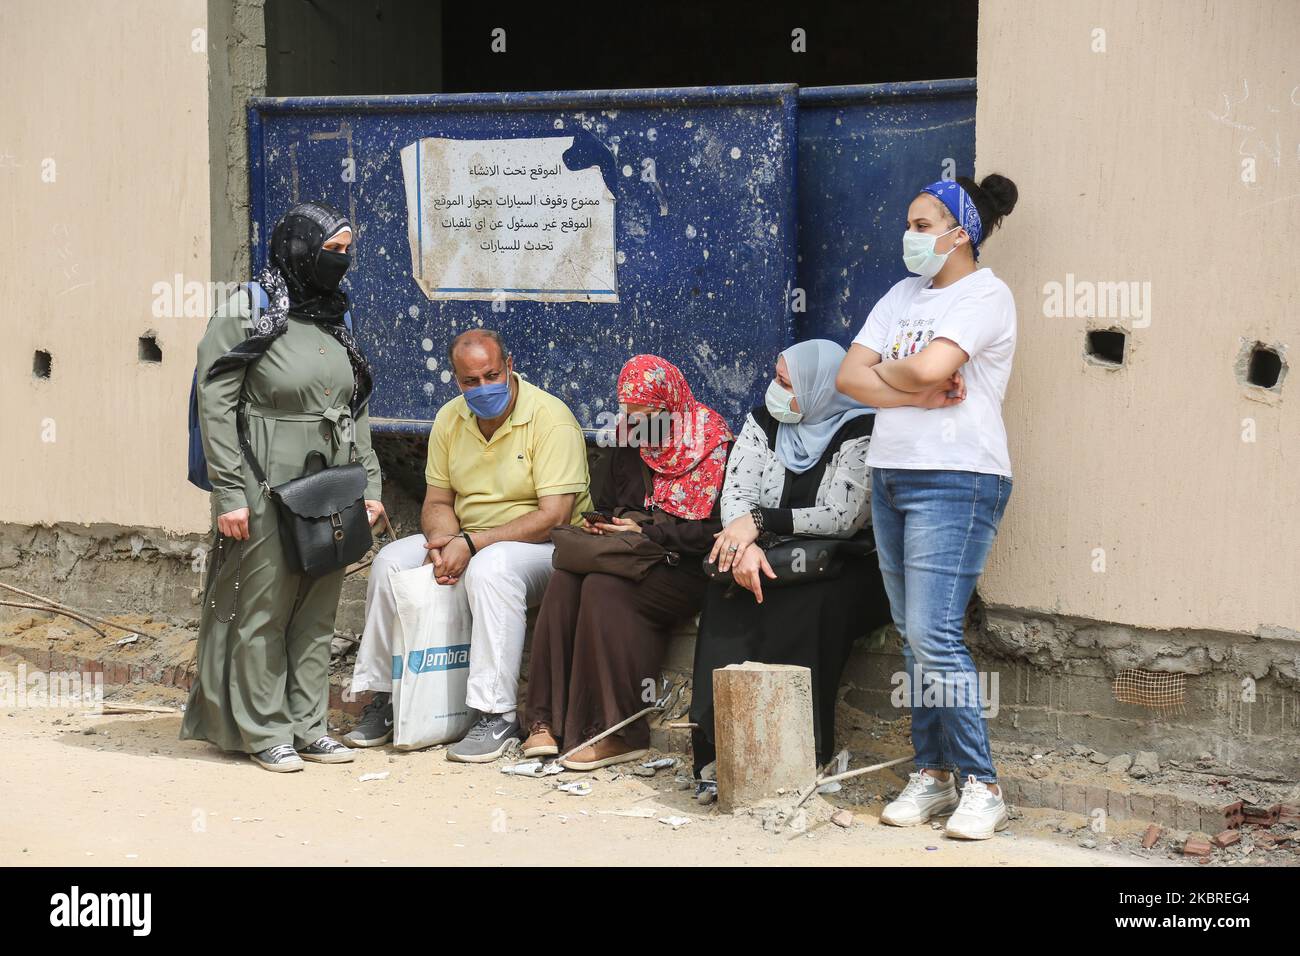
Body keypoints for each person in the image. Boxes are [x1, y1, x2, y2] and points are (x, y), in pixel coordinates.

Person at [836, 173, 1019, 840]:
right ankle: (933, 775)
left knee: (935, 634)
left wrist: (899, 379)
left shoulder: (986, 295)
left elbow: (923, 368)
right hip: (891, 474)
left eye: (921, 226)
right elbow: (847, 377)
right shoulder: (900, 295)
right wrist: (913, 391)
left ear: (959, 233)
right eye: (909, 224)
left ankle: (983, 786)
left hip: (957, 478)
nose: (908, 236)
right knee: (913, 636)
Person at [181, 200, 386, 773]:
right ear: (299, 248)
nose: (341, 260)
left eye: (347, 250)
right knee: (263, 604)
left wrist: (369, 483)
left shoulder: (334, 314)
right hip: (264, 478)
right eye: (331, 249)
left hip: (332, 481)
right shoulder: (249, 311)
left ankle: (307, 724)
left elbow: (357, 408)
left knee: (318, 604)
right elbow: (215, 404)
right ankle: (264, 728)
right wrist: (229, 493)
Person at [345, 329, 592, 761]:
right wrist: (443, 542)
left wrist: (472, 544)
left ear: (509, 366)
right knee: (391, 561)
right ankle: (387, 697)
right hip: (470, 538)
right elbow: (438, 501)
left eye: (491, 375)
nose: (483, 387)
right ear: (456, 380)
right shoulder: (450, 418)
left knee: (491, 567)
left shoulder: (550, 418)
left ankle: (496, 714)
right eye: (470, 381)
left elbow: (554, 516)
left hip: (545, 547)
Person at [689, 339, 900, 788]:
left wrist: (761, 522)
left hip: (843, 562)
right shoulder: (763, 422)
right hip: (767, 552)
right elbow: (737, 493)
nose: (775, 391)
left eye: (787, 384)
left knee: (809, 604)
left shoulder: (861, 429)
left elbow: (842, 516)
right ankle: (717, 751)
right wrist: (743, 546)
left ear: (818, 387)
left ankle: (796, 753)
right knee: (726, 592)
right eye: (776, 378)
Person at [524, 355, 731, 770]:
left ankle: (616, 732)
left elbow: (716, 531)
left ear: (671, 404)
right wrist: (606, 524)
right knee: (565, 580)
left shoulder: (711, 443)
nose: (638, 423)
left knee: (603, 587)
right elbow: (606, 503)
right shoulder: (629, 441)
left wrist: (649, 532)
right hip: (628, 553)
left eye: (648, 414)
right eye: (630, 413)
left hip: (683, 565)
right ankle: (544, 721)